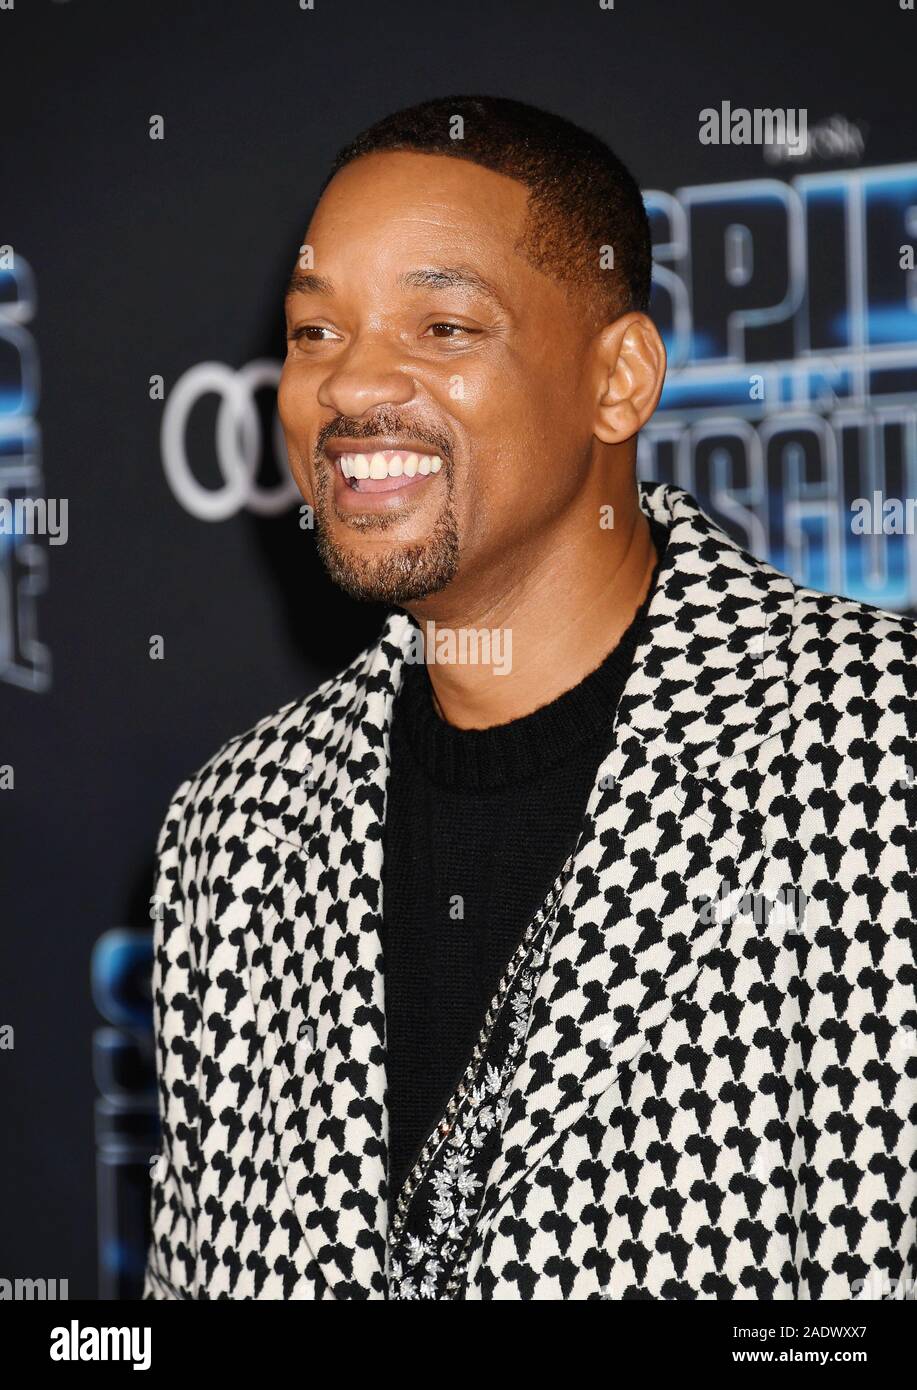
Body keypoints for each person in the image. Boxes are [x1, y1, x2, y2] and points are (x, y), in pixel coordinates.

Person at [143, 95, 916, 1301]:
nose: (351, 388)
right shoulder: (232, 829)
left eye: (443, 324)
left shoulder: (877, 744)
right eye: (311, 333)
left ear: (618, 378)